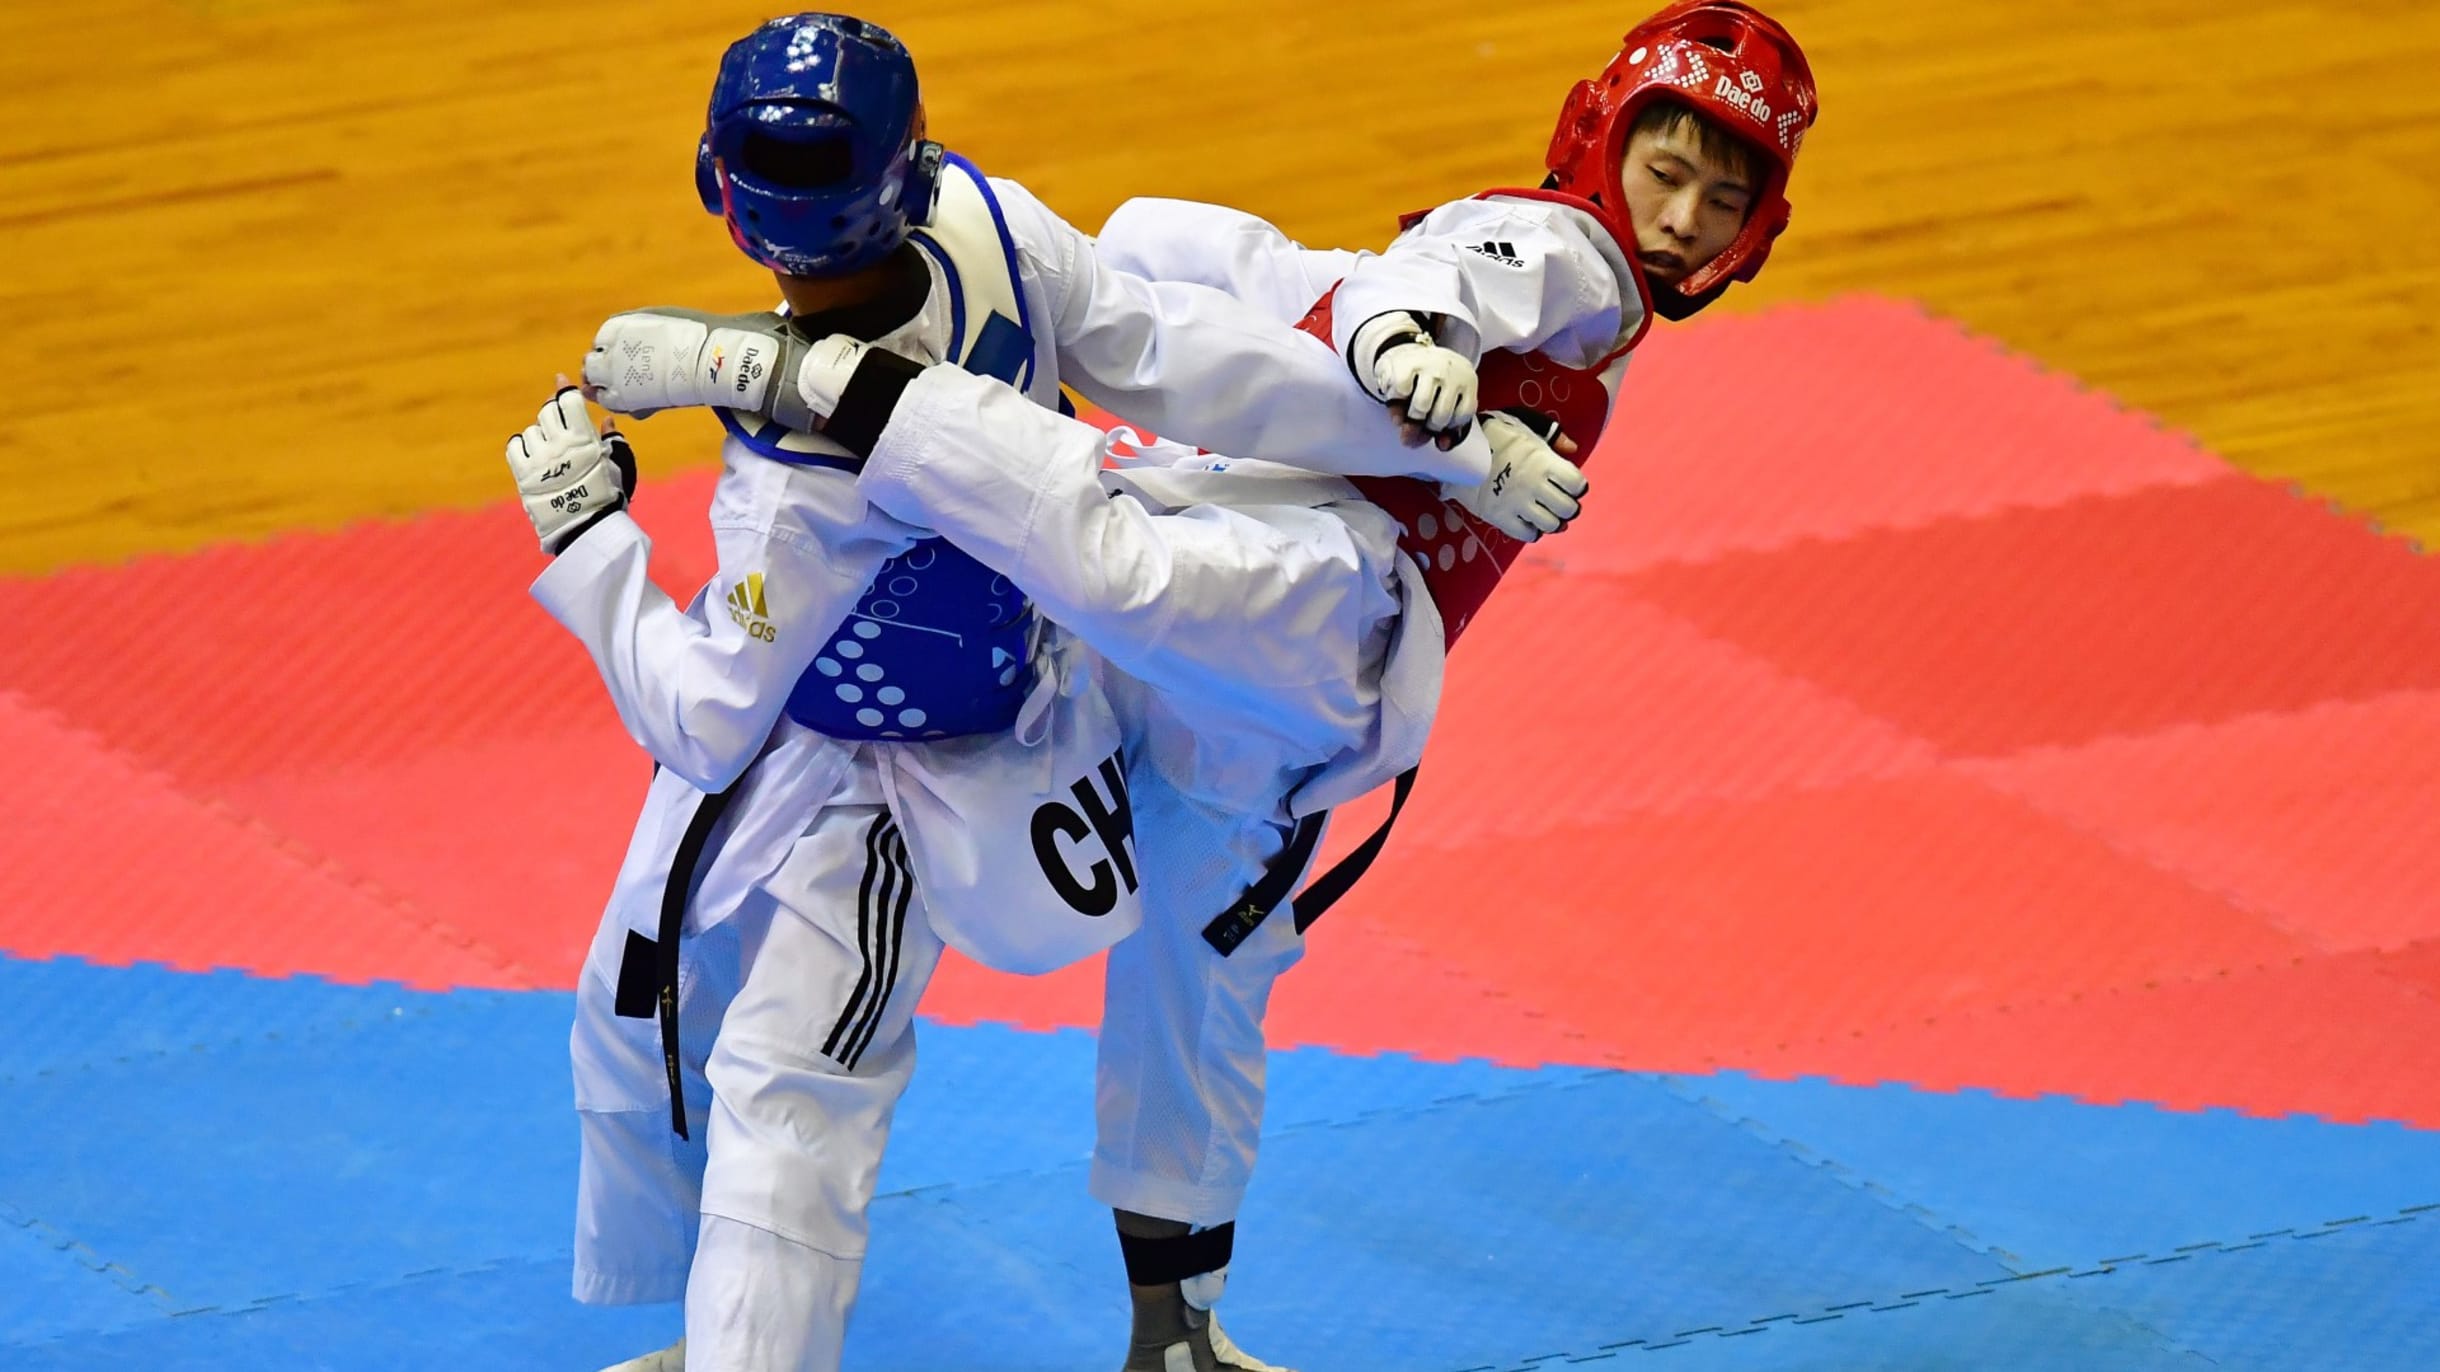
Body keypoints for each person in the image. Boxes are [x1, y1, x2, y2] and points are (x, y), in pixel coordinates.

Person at [506, 12, 1513, 1372]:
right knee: (639, 1003)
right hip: (1032, 683)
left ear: (716, 194)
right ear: (910, 170)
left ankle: (767, 1349)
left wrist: (587, 542)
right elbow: (1180, 351)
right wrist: (1428, 434)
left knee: (788, 1091)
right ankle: (742, 1331)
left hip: (886, 793)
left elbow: (703, 715)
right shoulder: (988, 226)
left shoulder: (802, 500)